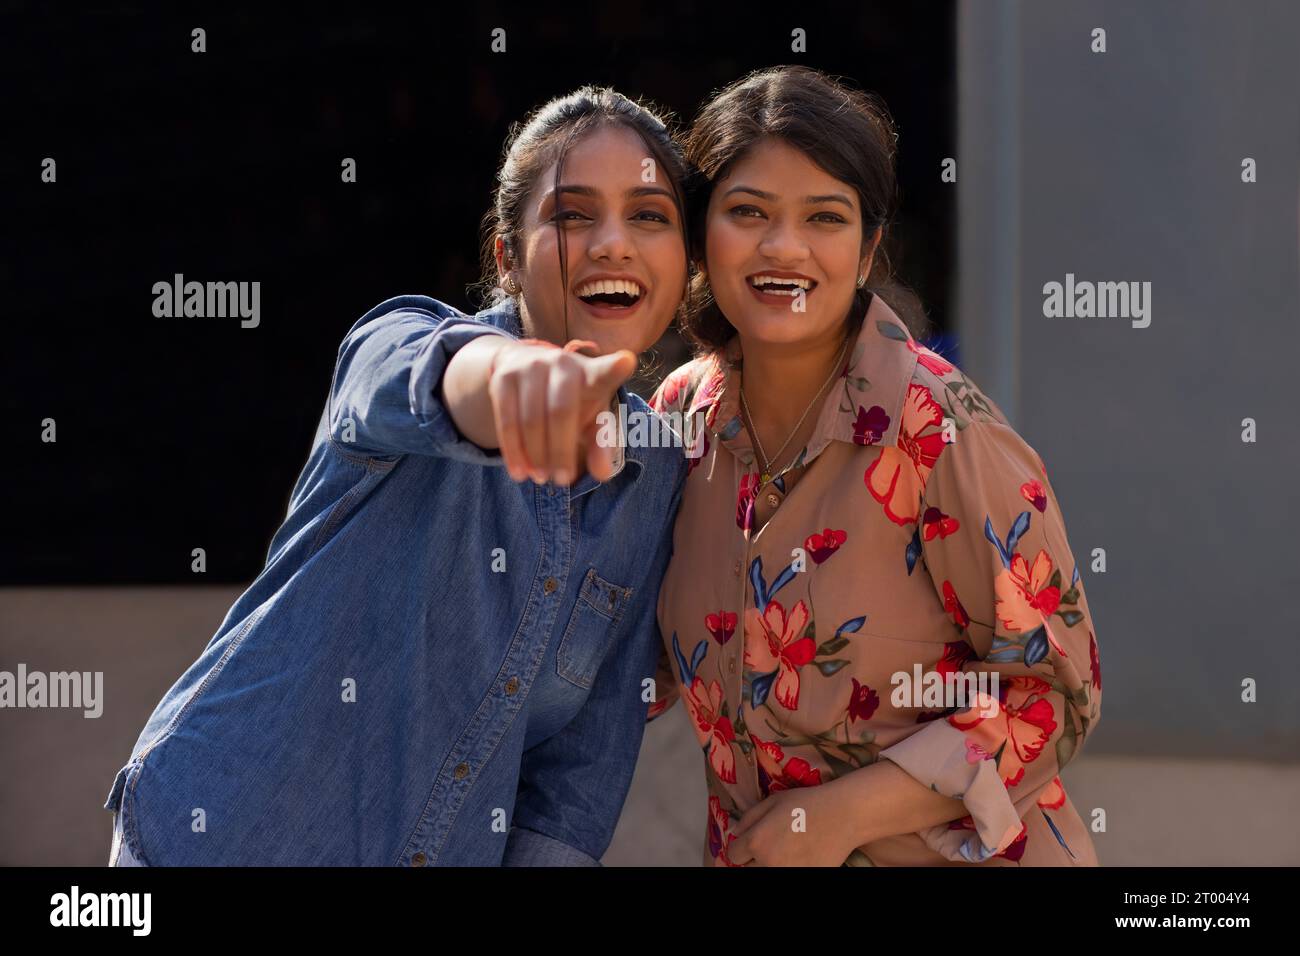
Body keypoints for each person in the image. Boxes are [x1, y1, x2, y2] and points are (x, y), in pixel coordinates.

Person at [105, 85, 693, 866]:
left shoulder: (655, 470)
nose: (612, 243)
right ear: (508, 258)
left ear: (686, 262)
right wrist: (510, 382)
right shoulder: (406, 340)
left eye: (649, 215)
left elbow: (576, 775)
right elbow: (424, 376)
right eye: (572, 214)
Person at [647, 66, 1103, 866]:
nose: (783, 247)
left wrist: (844, 814)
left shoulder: (938, 430)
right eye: (748, 211)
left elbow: (1055, 693)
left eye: (825, 217)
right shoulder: (684, 420)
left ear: (866, 252)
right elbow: (624, 658)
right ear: (698, 236)